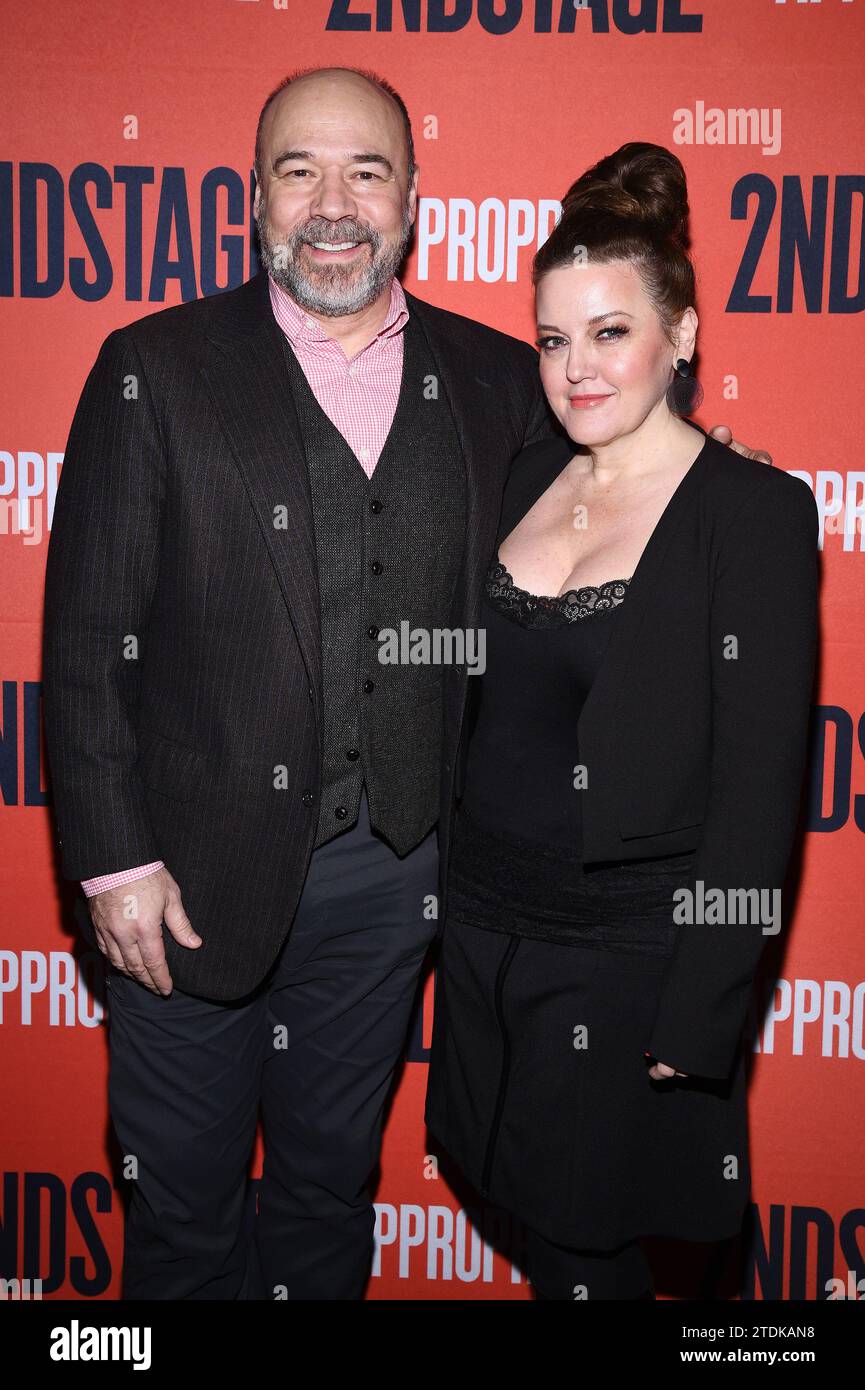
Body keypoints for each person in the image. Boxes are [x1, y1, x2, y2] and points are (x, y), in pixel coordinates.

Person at [42, 66, 769, 1301]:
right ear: (253, 197)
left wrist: (718, 481)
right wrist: (113, 864)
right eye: (299, 170)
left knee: (329, 1193)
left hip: (394, 884)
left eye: (366, 171)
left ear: (413, 197)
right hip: (183, 886)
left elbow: (618, 473)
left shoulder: (494, 380)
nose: (334, 204)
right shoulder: (150, 369)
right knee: (185, 1217)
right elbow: (84, 639)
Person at [423, 142, 819, 1301]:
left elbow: (760, 787)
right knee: (534, 1218)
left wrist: (699, 1013)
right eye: (552, 338)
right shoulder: (520, 473)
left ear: (683, 334)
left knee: (585, 1251)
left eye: (610, 332)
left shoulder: (749, 512)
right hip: (489, 935)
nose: (574, 367)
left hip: (623, 958)